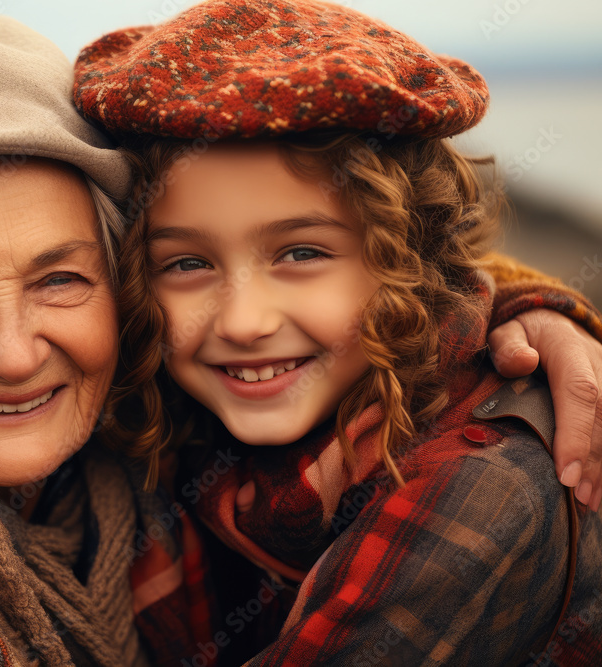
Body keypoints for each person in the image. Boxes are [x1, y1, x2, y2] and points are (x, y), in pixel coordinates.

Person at [0, 7, 599, 667]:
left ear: (118, 290)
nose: (13, 348)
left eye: (60, 278)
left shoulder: (150, 407)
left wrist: (529, 315)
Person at [73, 0, 602, 664]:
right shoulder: (180, 422)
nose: (243, 322)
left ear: (406, 256)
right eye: (187, 263)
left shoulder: (485, 486)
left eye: (300, 254)